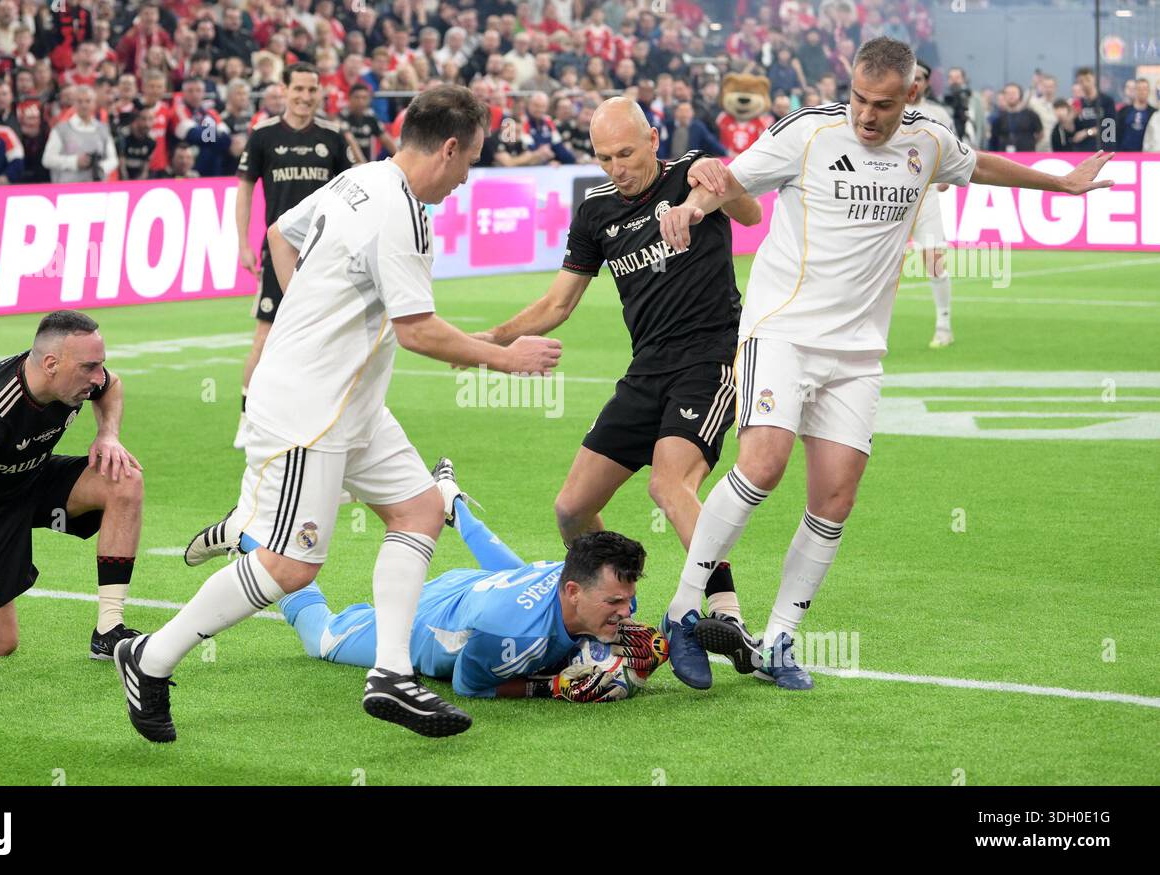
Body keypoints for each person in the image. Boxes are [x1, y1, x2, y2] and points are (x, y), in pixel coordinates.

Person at [658, 37, 1114, 691]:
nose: (867, 117)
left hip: (858, 351)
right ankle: (681, 611)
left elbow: (977, 165)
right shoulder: (808, 133)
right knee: (763, 463)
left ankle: (778, 640)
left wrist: (1061, 184)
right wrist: (691, 206)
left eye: (883, 105)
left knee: (836, 497)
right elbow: (729, 179)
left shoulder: (927, 142)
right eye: (859, 100)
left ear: (912, 96)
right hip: (781, 329)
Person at [114, 85, 563, 743]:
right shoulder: (401, 212)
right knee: (289, 567)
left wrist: (311, 311)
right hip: (309, 409)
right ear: (446, 148)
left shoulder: (360, 179)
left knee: (419, 508)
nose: (468, 176)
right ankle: (148, 658)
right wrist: (505, 357)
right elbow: (417, 331)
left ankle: (390, 673)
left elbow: (278, 232)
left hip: (350, 401)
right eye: (469, 159)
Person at [476, 96, 763, 689]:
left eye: (626, 153)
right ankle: (609, 615)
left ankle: (729, 619)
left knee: (669, 483)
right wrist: (495, 341)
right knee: (571, 507)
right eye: (604, 157)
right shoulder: (594, 213)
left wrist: (719, 185)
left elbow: (751, 212)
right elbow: (558, 304)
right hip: (645, 370)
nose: (616, 167)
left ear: (652, 137)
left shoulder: (692, 171)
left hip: (710, 360)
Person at [275, 460, 667, 701]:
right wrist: (552, 687)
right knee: (321, 640)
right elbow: (467, 684)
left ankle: (452, 503)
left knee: (514, 577)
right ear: (573, 591)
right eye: (614, 603)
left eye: (625, 600)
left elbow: (514, 573)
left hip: (476, 590)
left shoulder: (584, 579)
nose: (626, 611)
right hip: (428, 622)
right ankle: (267, 549)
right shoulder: (509, 637)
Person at [0, 311, 144, 675]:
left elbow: (112, 385)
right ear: (51, 363)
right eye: (90, 367)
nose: (97, 377)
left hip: (35, 478)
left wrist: (107, 435)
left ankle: (109, 631)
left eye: (99, 364)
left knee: (124, 479)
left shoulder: (78, 377)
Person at [233, 62, 354, 448]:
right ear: (283, 89)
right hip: (279, 253)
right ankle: (247, 419)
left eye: (312, 90)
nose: (305, 97)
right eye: (298, 89)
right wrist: (244, 243)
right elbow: (245, 190)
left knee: (328, 337)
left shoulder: (333, 138)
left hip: (325, 256)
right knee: (265, 336)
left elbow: (353, 191)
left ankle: (318, 416)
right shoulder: (264, 135)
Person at [908, 62, 957, 348]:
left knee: (933, 260)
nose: (914, 83)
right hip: (887, 196)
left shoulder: (938, 114)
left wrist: (946, 174)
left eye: (920, 78)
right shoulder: (888, 108)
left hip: (924, 194)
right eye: (910, 77)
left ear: (927, 82)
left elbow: (952, 150)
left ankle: (944, 324)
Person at [41, 84, 117, 182]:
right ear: (74, 104)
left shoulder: (103, 129)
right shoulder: (60, 129)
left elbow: (113, 159)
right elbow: (47, 159)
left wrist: (100, 167)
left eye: (88, 101)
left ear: (94, 103)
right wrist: (74, 162)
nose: (84, 105)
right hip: (69, 189)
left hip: (97, 189)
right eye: (80, 101)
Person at [338, 81, 396, 163]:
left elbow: (386, 140)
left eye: (364, 98)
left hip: (365, 164)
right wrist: (364, 167)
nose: (360, 102)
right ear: (349, 98)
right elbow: (350, 141)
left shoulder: (371, 117)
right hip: (346, 165)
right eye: (357, 97)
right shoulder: (343, 116)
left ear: (369, 100)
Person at [987, 83, 1041, 152]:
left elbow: (1040, 134)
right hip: (1004, 155)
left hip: (1027, 154)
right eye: (1008, 93)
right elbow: (994, 139)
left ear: (1020, 95)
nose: (1011, 96)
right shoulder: (998, 117)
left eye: (1014, 93)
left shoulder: (1031, 115)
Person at [1118, 78, 1154, 152]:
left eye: (1144, 89)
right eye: (1139, 89)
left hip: (1146, 154)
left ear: (1149, 91)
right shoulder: (1124, 111)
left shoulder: (1153, 113)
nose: (1142, 92)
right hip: (1124, 154)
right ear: (1134, 91)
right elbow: (1117, 132)